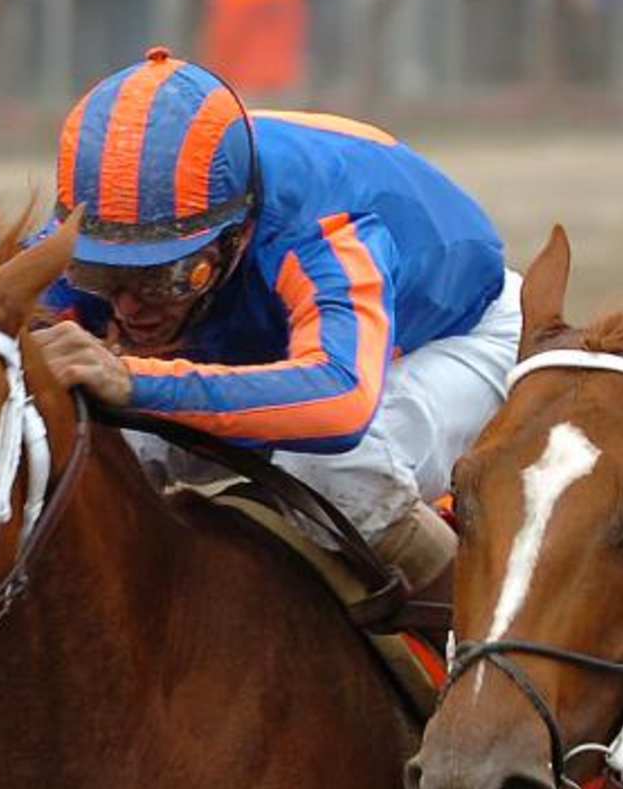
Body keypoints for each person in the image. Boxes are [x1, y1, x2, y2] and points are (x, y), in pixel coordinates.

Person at [33, 47, 519, 609]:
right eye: (100, 275)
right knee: (98, 441)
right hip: (281, 348)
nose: (129, 308)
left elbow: (339, 404)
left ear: (237, 234)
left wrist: (134, 380)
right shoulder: (109, 222)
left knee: (330, 470)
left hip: (452, 336)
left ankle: (478, 639)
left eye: (168, 277)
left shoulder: (321, 229)